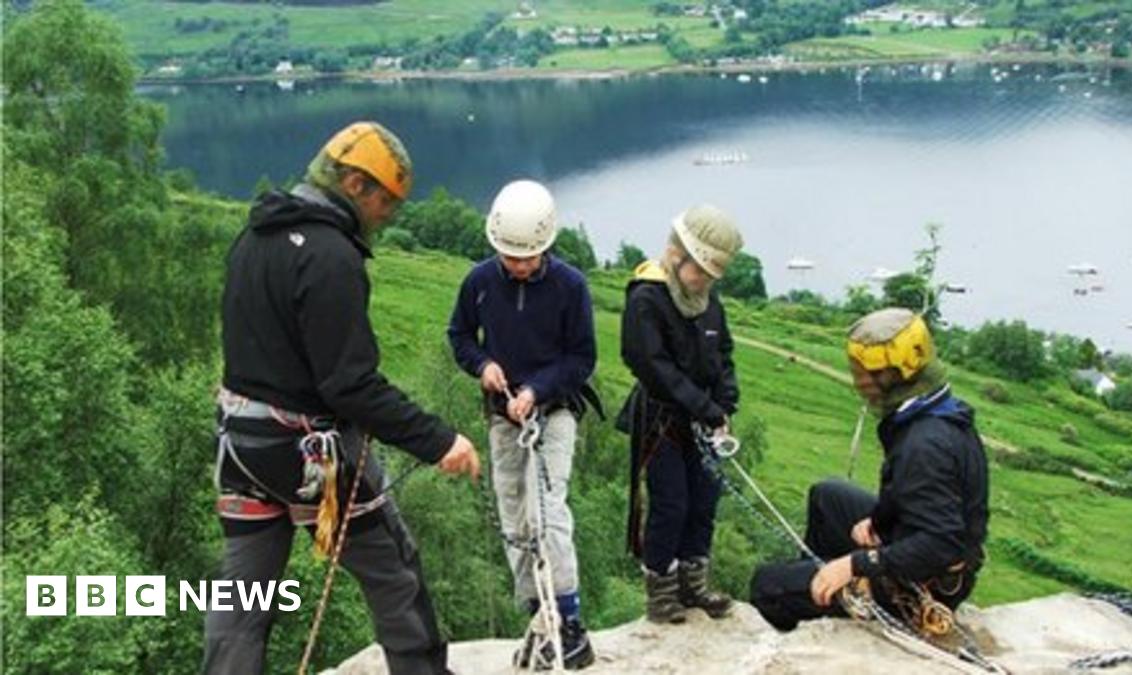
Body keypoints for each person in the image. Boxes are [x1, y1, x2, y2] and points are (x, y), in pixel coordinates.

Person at [206, 121, 481, 675]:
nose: (389, 216)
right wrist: (439, 440)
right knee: (393, 571)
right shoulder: (331, 256)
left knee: (243, 600)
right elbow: (348, 385)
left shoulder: (254, 237)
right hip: (308, 454)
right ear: (355, 184)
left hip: (240, 446)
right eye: (387, 201)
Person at [750, 308, 989, 632]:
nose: (857, 380)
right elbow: (921, 495)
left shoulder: (923, 446)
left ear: (889, 374)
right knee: (828, 496)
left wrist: (855, 565)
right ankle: (818, 583)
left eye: (862, 371)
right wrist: (881, 520)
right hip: (921, 545)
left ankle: (822, 605)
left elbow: (939, 544)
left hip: (923, 586)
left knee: (767, 586)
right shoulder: (940, 409)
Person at [447, 179, 598, 669]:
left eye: (527, 258)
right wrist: (482, 365)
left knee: (547, 513)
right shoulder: (479, 282)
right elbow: (461, 336)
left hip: (553, 412)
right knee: (514, 517)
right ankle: (539, 616)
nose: (517, 265)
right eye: (510, 257)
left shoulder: (570, 287)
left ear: (546, 246)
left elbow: (582, 358)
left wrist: (537, 391)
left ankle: (570, 622)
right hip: (502, 416)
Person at [616, 204, 744, 624]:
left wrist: (724, 402)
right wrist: (706, 408)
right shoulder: (647, 298)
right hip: (661, 419)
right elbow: (654, 366)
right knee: (671, 503)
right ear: (676, 255)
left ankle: (694, 584)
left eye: (710, 276)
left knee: (703, 500)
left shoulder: (707, 301)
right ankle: (661, 592)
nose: (703, 282)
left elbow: (722, 352)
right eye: (699, 272)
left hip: (704, 417)